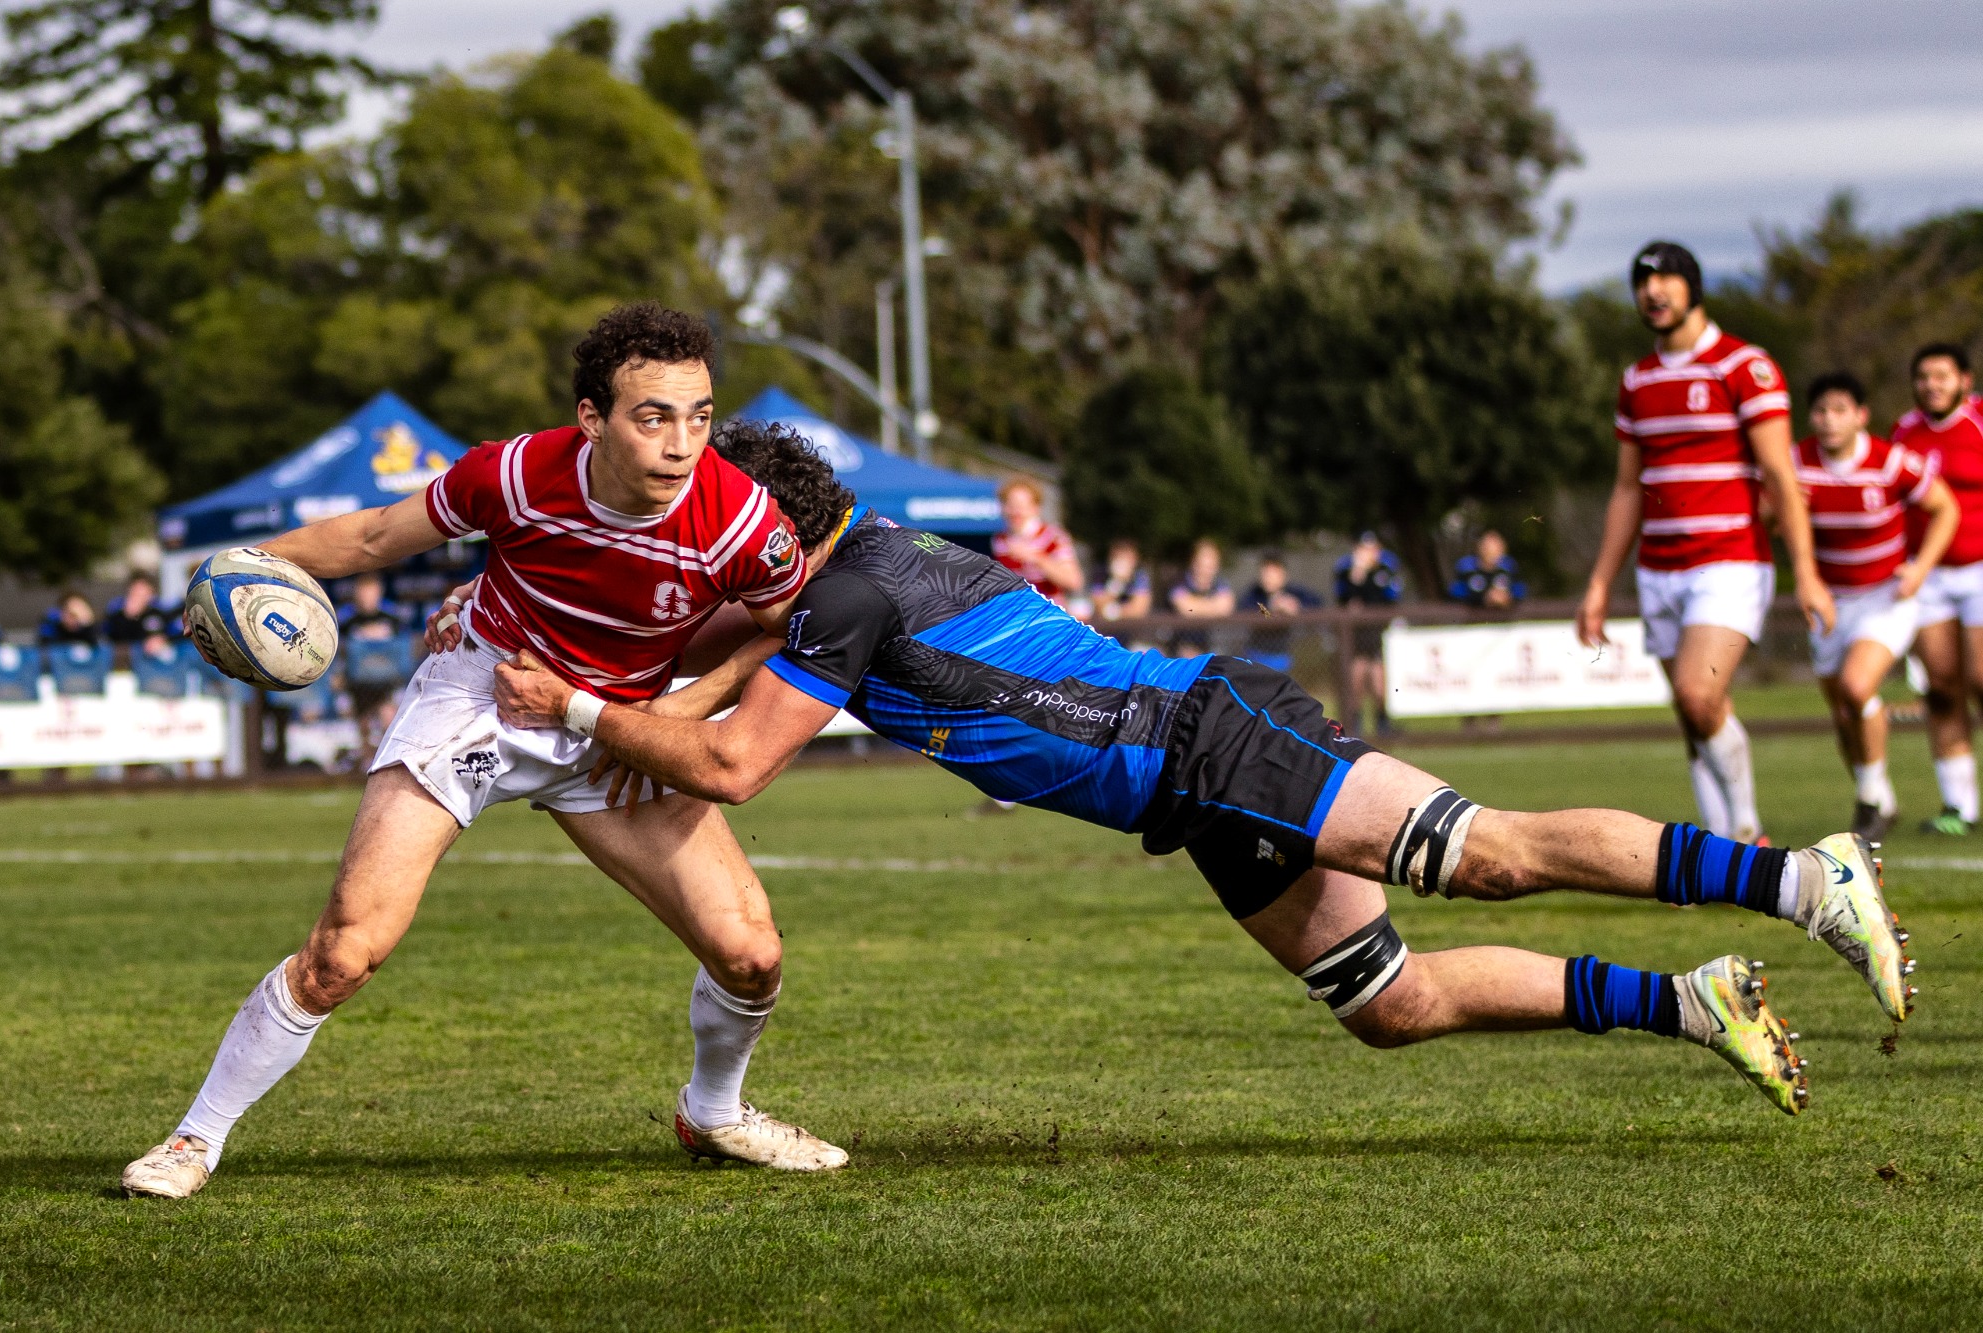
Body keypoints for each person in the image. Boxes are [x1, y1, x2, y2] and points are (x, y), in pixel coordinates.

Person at [493, 429, 1919, 1121]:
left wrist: (584, 705)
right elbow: (747, 642)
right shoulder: (855, 568)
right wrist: (664, 684)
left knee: (1485, 848)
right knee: (1394, 1005)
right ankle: (1689, 1001)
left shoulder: (842, 600)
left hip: (1213, 738)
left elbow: (734, 768)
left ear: (760, 525)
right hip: (1192, 788)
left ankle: (1800, 876)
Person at [120, 302, 846, 1202]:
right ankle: (193, 1139)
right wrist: (244, 563)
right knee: (345, 952)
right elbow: (378, 536)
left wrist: (683, 703)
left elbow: (789, 626)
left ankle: (715, 1112)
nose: (682, 442)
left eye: (698, 415)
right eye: (652, 416)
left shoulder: (740, 522)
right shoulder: (514, 474)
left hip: (606, 734)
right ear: (593, 419)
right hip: (481, 700)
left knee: (751, 955)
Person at [1576, 241, 1834, 845]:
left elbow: (1779, 476)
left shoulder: (1745, 366)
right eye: (1642, 281)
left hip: (1730, 562)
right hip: (1659, 569)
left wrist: (1808, 571)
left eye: (1666, 278)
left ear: (1693, 287)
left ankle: (1748, 834)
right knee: (1692, 715)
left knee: (1699, 693)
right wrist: (1598, 584)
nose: (1653, 291)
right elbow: (1626, 489)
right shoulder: (1637, 379)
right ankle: (1721, 852)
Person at [1797, 372, 1959, 840]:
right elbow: (1769, 517)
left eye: (1839, 410)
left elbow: (1946, 508)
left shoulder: (1891, 462)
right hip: (1829, 602)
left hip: (1884, 597)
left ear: (1861, 416)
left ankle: (1869, 802)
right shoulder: (1796, 463)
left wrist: (1921, 568)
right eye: (1821, 411)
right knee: (1844, 715)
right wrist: (1781, 504)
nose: (1829, 421)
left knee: (1856, 685)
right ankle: (1880, 797)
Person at [1891, 342, 1983, 835]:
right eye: (1923, 376)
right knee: (1942, 688)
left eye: (1942, 376)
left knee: (1982, 679)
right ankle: (1959, 809)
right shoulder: (1904, 433)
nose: (1932, 384)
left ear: (1965, 381)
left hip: (1979, 569)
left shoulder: (1978, 421)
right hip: (1926, 577)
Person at [1334, 532, 1401, 736]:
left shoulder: (1385, 569)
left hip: (1379, 631)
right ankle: (1355, 723)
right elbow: (1344, 598)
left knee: (1379, 680)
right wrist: (1357, 576)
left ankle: (1383, 722)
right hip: (1357, 633)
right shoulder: (1346, 570)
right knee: (1357, 677)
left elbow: (1390, 596)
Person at [337, 572, 411, 757]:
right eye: (363, 591)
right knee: (364, 726)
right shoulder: (347, 622)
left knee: (388, 720)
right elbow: (340, 652)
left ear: (379, 592)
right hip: (358, 683)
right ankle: (367, 762)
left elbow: (401, 651)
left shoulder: (392, 619)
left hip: (386, 682)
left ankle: (389, 758)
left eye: (371, 591)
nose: (367, 596)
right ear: (357, 593)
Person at [991, 477, 1084, 609]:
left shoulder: (1053, 537)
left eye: (1021, 506)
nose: (1016, 512)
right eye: (1011, 505)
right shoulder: (1000, 541)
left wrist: (1036, 558)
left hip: (1048, 616)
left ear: (1035, 508)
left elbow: (1073, 581)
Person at [1243, 551, 1320, 670]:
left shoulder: (1294, 592)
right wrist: (1270, 609)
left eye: (1273, 573)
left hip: (1284, 655)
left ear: (1283, 575)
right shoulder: (1254, 594)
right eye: (1265, 573)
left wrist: (1295, 606)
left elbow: (1316, 603)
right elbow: (1245, 609)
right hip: (1256, 655)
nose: (1268, 577)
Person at [1168, 537, 1235, 656]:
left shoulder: (1220, 583)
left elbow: (1226, 607)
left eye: (1210, 566)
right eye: (1201, 565)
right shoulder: (1178, 582)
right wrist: (1213, 606)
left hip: (1213, 647)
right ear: (1193, 563)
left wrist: (1197, 605)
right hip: (1180, 649)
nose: (1205, 571)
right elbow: (1186, 609)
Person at [102, 573, 177, 662]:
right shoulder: (118, 613)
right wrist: (128, 617)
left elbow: (174, 632)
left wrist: (163, 640)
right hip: (126, 659)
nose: (139, 594)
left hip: (156, 659)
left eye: (143, 589)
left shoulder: (159, 612)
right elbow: (111, 636)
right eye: (136, 590)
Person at [1449, 531, 1525, 609]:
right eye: (1487, 548)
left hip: (1504, 616)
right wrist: (1483, 598)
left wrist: (1508, 597)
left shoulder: (1509, 567)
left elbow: (1520, 589)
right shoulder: (1467, 567)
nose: (1491, 553)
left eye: (1496, 549)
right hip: (1472, 616)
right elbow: (1455, 591)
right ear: (1479, 548)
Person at [1089, 538, 1153, 621]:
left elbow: (1139, 610)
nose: (1122, 562)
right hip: (1104, 630)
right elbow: (1098, 606)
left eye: (1126, 557)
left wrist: (1113, 612)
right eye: (1118, 557)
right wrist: (1117, 582)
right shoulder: (1101, 576)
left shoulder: (1140, 576)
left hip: (1132, 630)